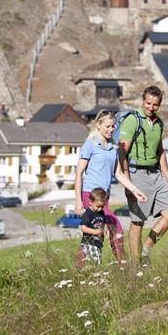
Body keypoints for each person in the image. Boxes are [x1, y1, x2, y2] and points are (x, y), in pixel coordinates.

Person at [116, 85, 168, 265]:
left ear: (159, 105)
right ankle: (136, 266)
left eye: (155, 105)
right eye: (148, 103)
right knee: (138, 222)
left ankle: (146, 248)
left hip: (156, 173)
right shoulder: (132, 120)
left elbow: (161, 152)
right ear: (142, 101)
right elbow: (122, 152)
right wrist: (128, 183)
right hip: (138, 174)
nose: (150, 107)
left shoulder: (159, 123)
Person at [73, 110, 126, 262]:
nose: (111, 130)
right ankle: (124, 266)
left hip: (105, 198)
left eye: (113, 127)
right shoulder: (90, 144)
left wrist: (135, 190)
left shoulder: (112, 149)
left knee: (96, 235)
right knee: (115, 228)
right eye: (108, 126)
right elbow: (78, 173)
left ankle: (79, 267)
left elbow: (119, 174)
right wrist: (78, 200)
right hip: (90, 195)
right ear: (98, 125)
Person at [76, 187, 111, 268]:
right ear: (90, 202)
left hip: (98, 243)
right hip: (88, 242)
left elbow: (103, 222)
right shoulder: (87, 214)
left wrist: (106, 230)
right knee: (96, 261)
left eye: (102, 206)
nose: (100, 209)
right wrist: (95, 232)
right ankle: (98, 275)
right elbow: (83, 228)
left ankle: (91, 274)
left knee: (93, 261)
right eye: (98, 206)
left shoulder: (101, 212)